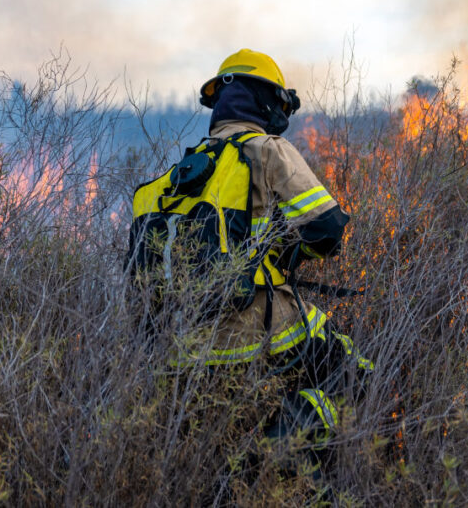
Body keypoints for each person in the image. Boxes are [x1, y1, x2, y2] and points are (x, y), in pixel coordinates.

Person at [129, 49, 372, 482]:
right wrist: (294, 255)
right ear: (262, 100)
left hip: (184, 354)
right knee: (355, 371)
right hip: (258, 329)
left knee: (221, 449)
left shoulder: (174, 179)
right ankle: (285, 454)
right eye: (279, 104)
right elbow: (328, 228)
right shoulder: (266, 150)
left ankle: (249, 467)